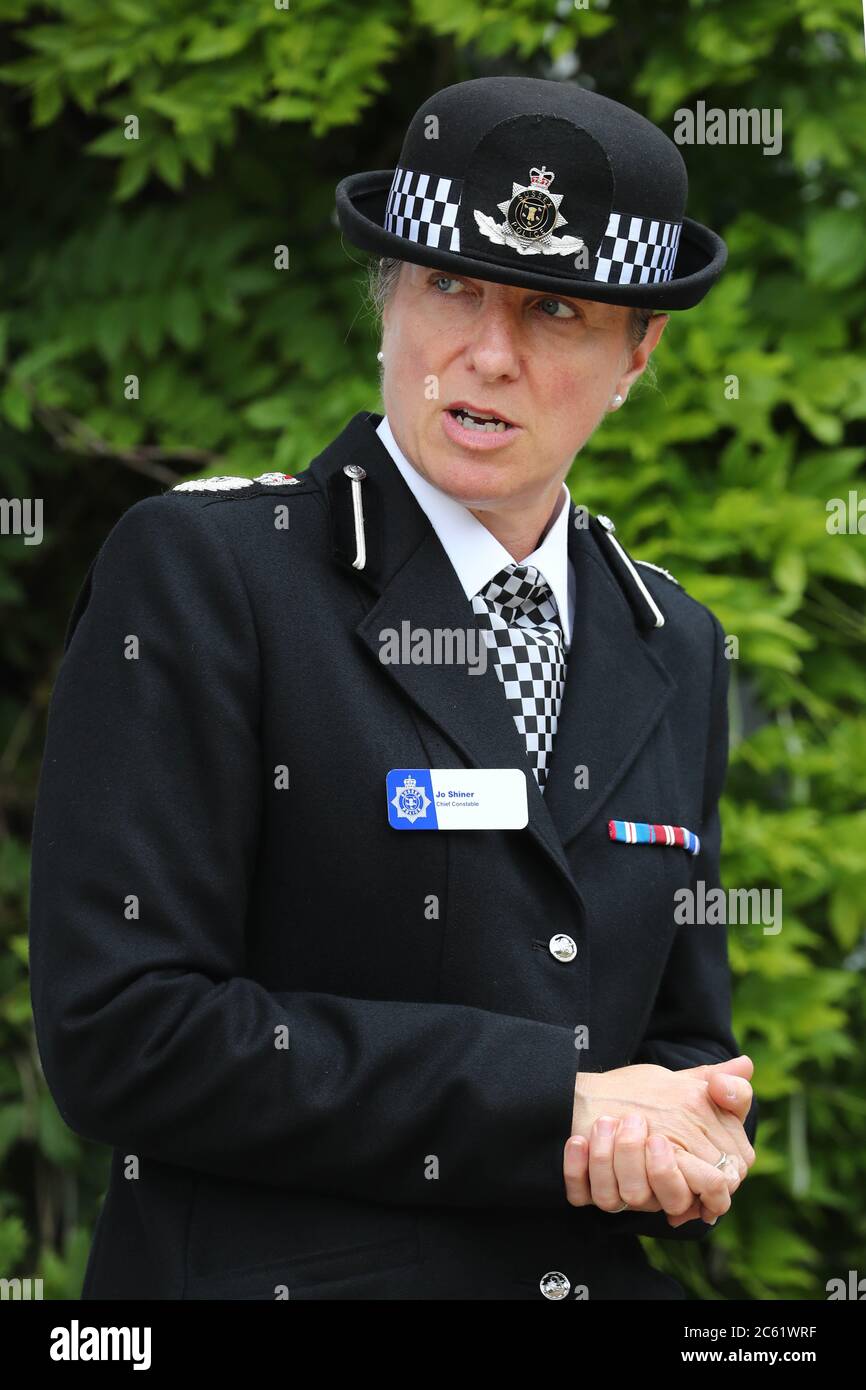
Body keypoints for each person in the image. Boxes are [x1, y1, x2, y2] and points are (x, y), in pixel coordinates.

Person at [28, 74, 757, 1301]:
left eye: (554, 309)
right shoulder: (211, 576)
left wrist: (682, 1133)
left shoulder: (672, 641)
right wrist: (551, 1100)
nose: (483, 353)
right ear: (386, 301)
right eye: (448, 285)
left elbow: (677, 1044)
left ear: (638, 351)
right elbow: (125, 1035)